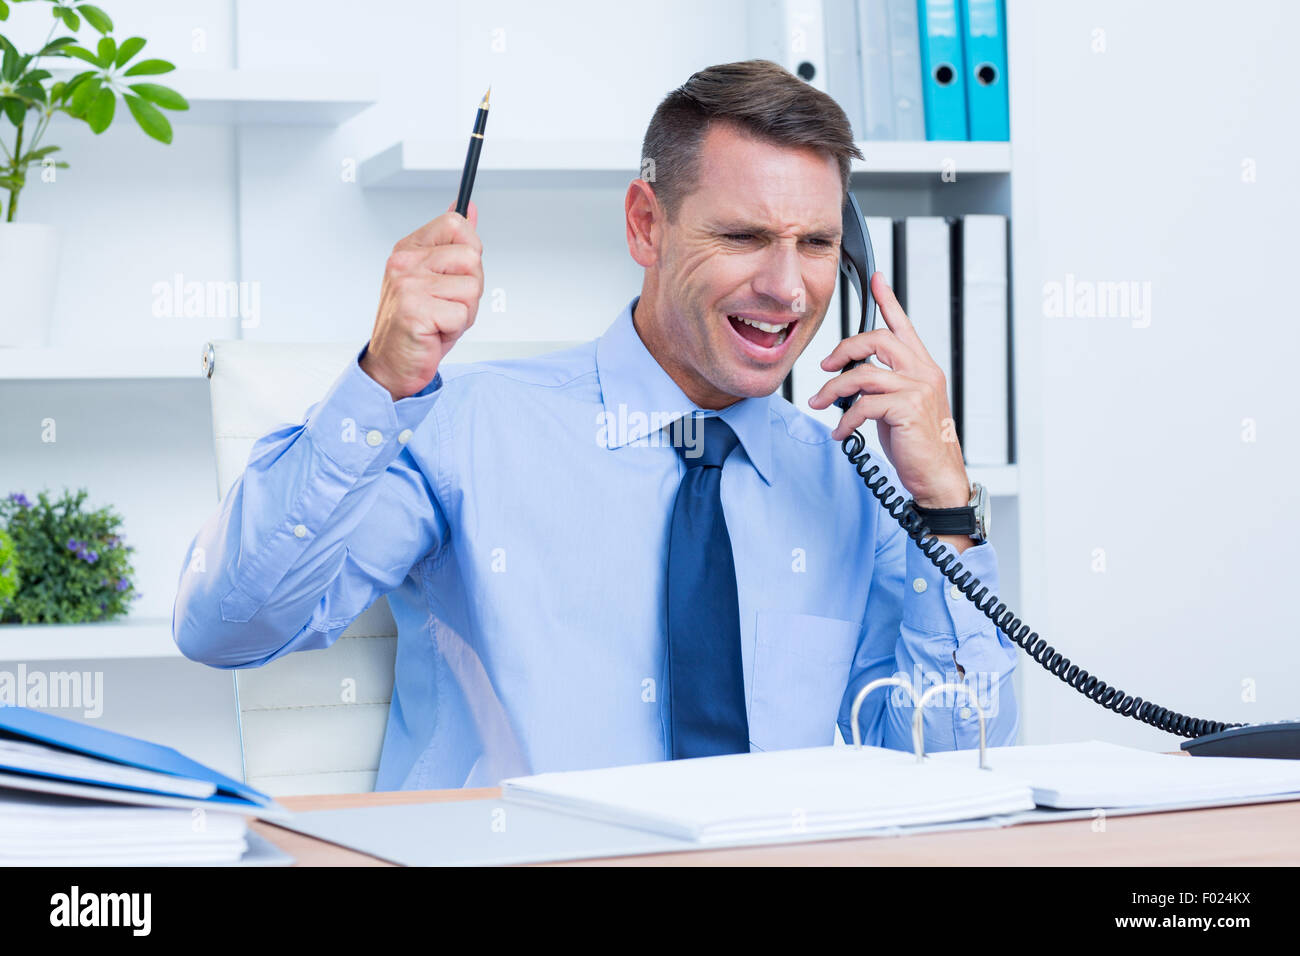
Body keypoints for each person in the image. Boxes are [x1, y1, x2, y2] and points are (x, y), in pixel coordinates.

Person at [173, 59, 1018, 790]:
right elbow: (227, 626)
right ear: (646, 225)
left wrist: (945, 501)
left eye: (817, 244)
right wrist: (379, 385)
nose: (788, 288)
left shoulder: (848, 479)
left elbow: (944, 765)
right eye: (743, 236)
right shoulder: (467, 426)